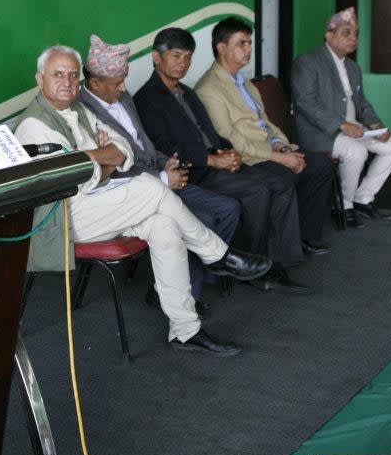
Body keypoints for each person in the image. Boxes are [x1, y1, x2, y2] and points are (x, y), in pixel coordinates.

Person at [15, 44, 273, 358]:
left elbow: (123, 147)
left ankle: (185, 329)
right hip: (62, 219)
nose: (67, 81)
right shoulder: (34, 125)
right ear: (39, 80)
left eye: (72, 74)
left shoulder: (77, 110)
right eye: (58, 74)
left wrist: (97, 160)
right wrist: (101, 160)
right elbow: (76, 175)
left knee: (164, 227)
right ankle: (217, 254)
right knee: (148, 187)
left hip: (97, 204)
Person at [134, 27, 312, 293]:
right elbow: (164, 149)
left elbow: (212, 134)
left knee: (280, 183)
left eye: (187, 57)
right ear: (156, 58)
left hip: (216, 164)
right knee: (258, 190)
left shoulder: (186, 92)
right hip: (192, 174)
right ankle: (253, 266)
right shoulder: (147, 99)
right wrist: (212, 160)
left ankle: (276, 263)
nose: (182, 63)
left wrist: (229, 152)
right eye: (175, 56)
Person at [77, 34, 241, 310]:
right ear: (94, 83)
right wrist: (163, 179)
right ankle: (186, 296)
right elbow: (110, 172)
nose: (124, 87)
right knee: (201, 218)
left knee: (229, 208)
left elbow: (145, 146)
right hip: (133, 190)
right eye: (117, 83)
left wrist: (167, 163)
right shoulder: (82, 112)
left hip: (159, 175)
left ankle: (173, 285)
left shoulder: (122, 96)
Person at [194, 17, 335, 257]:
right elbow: (228, 138)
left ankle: (305, 236)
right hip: (249, 158)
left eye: (249, 43)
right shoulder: (209, 88)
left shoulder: (245, 82)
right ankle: (279, 248)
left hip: (270, 150)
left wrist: (281, 145)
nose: (248, 49)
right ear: (221, 47)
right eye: (241, 43)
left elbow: (266, 122)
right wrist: (278, 158)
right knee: (286, 175)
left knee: (321, 166)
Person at [291, 7, 391, 227]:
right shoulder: (308, 61)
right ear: (329, 35)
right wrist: (341, 125)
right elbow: (305, 102)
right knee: (356, 151)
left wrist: (377, 125)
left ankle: (362, 198)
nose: (353, 38)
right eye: (346, 32)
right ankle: (344, 205)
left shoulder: (353, 67)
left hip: (353, 129)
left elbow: (362, 102)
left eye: (356, 34)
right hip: (321, 133)